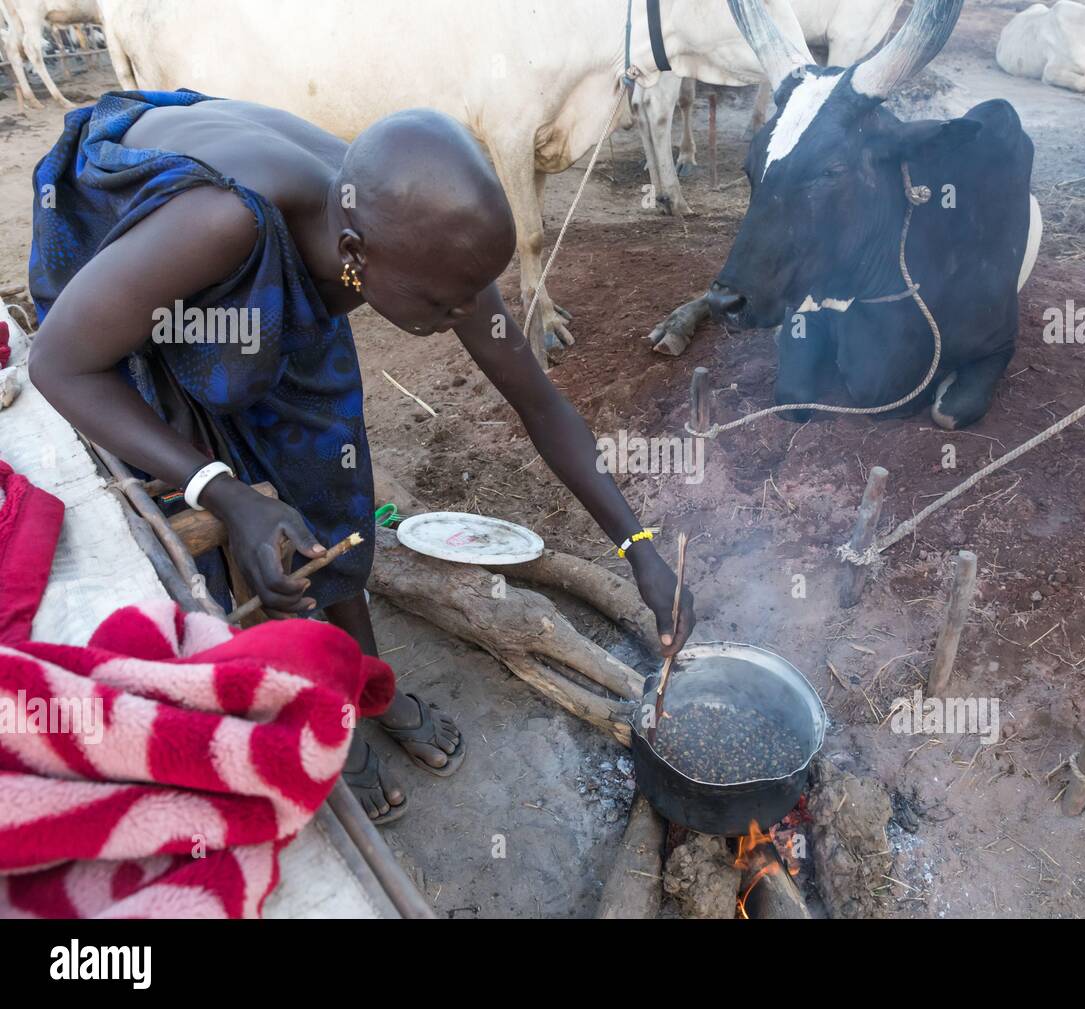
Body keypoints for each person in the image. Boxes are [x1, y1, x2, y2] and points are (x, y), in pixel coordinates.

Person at [27, 90, 696, 824]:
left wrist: (640, 549)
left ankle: (363, 679)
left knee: (330, 478)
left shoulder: (409, 245)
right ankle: (310, 699)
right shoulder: (218, 224)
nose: (463, 317)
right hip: (128, 279)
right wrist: (222, 489)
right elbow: (60, 365)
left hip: (278, 266)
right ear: (355, 256)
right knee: (215, 496)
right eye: (445, 305)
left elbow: (540, 403)